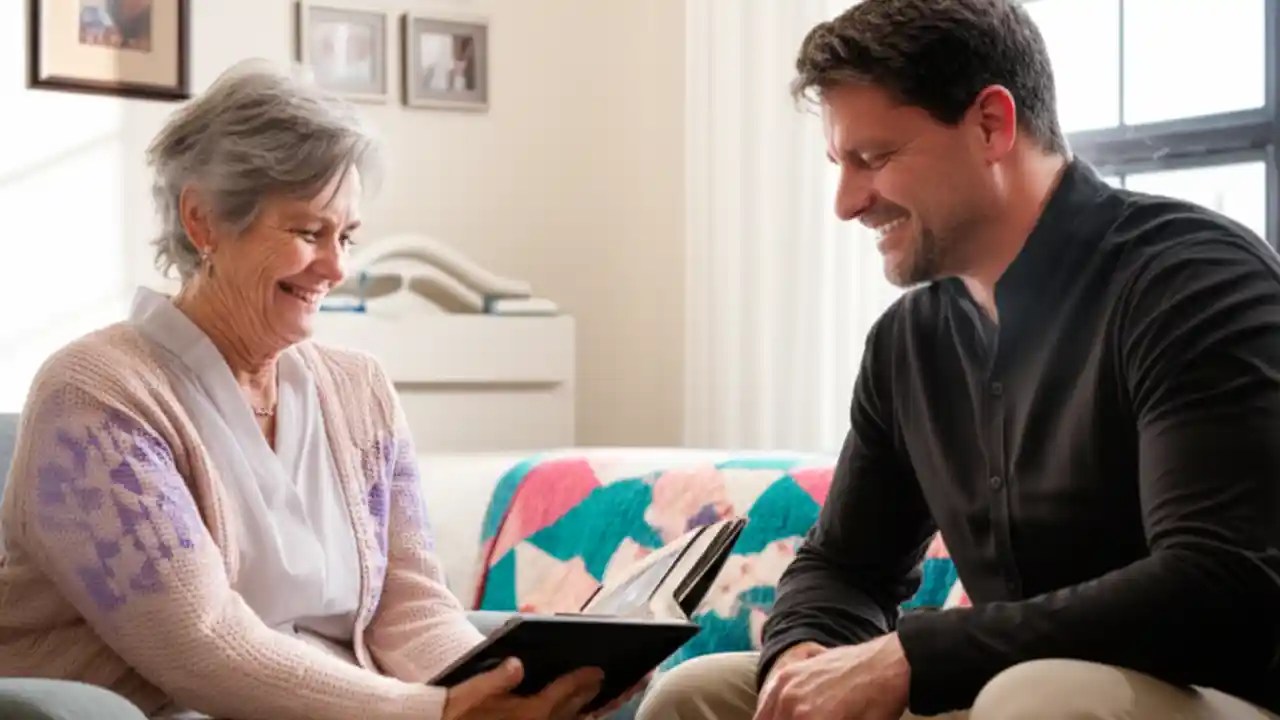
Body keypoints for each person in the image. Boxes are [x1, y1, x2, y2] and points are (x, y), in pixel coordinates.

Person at [636, 1, 1280, 719]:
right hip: (1009, 688)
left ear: (991, 125)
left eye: (873, 159)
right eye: (839, 164)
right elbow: (844, 566)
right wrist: (805, 654)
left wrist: (916, 654)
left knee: (1036, 696)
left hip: (1223, 691)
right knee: (700, 696)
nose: (847, 204)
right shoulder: (908, 343)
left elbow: (1222, 587)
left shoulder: (1191, 283)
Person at [0, 62, 605, 720]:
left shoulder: (361, 389)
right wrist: (432, 714)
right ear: (203, 221)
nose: (338, 266)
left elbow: (412, 608)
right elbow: (200, 646)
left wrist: (508, 690)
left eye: (346, 236)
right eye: (307, 232)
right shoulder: (96, 398)